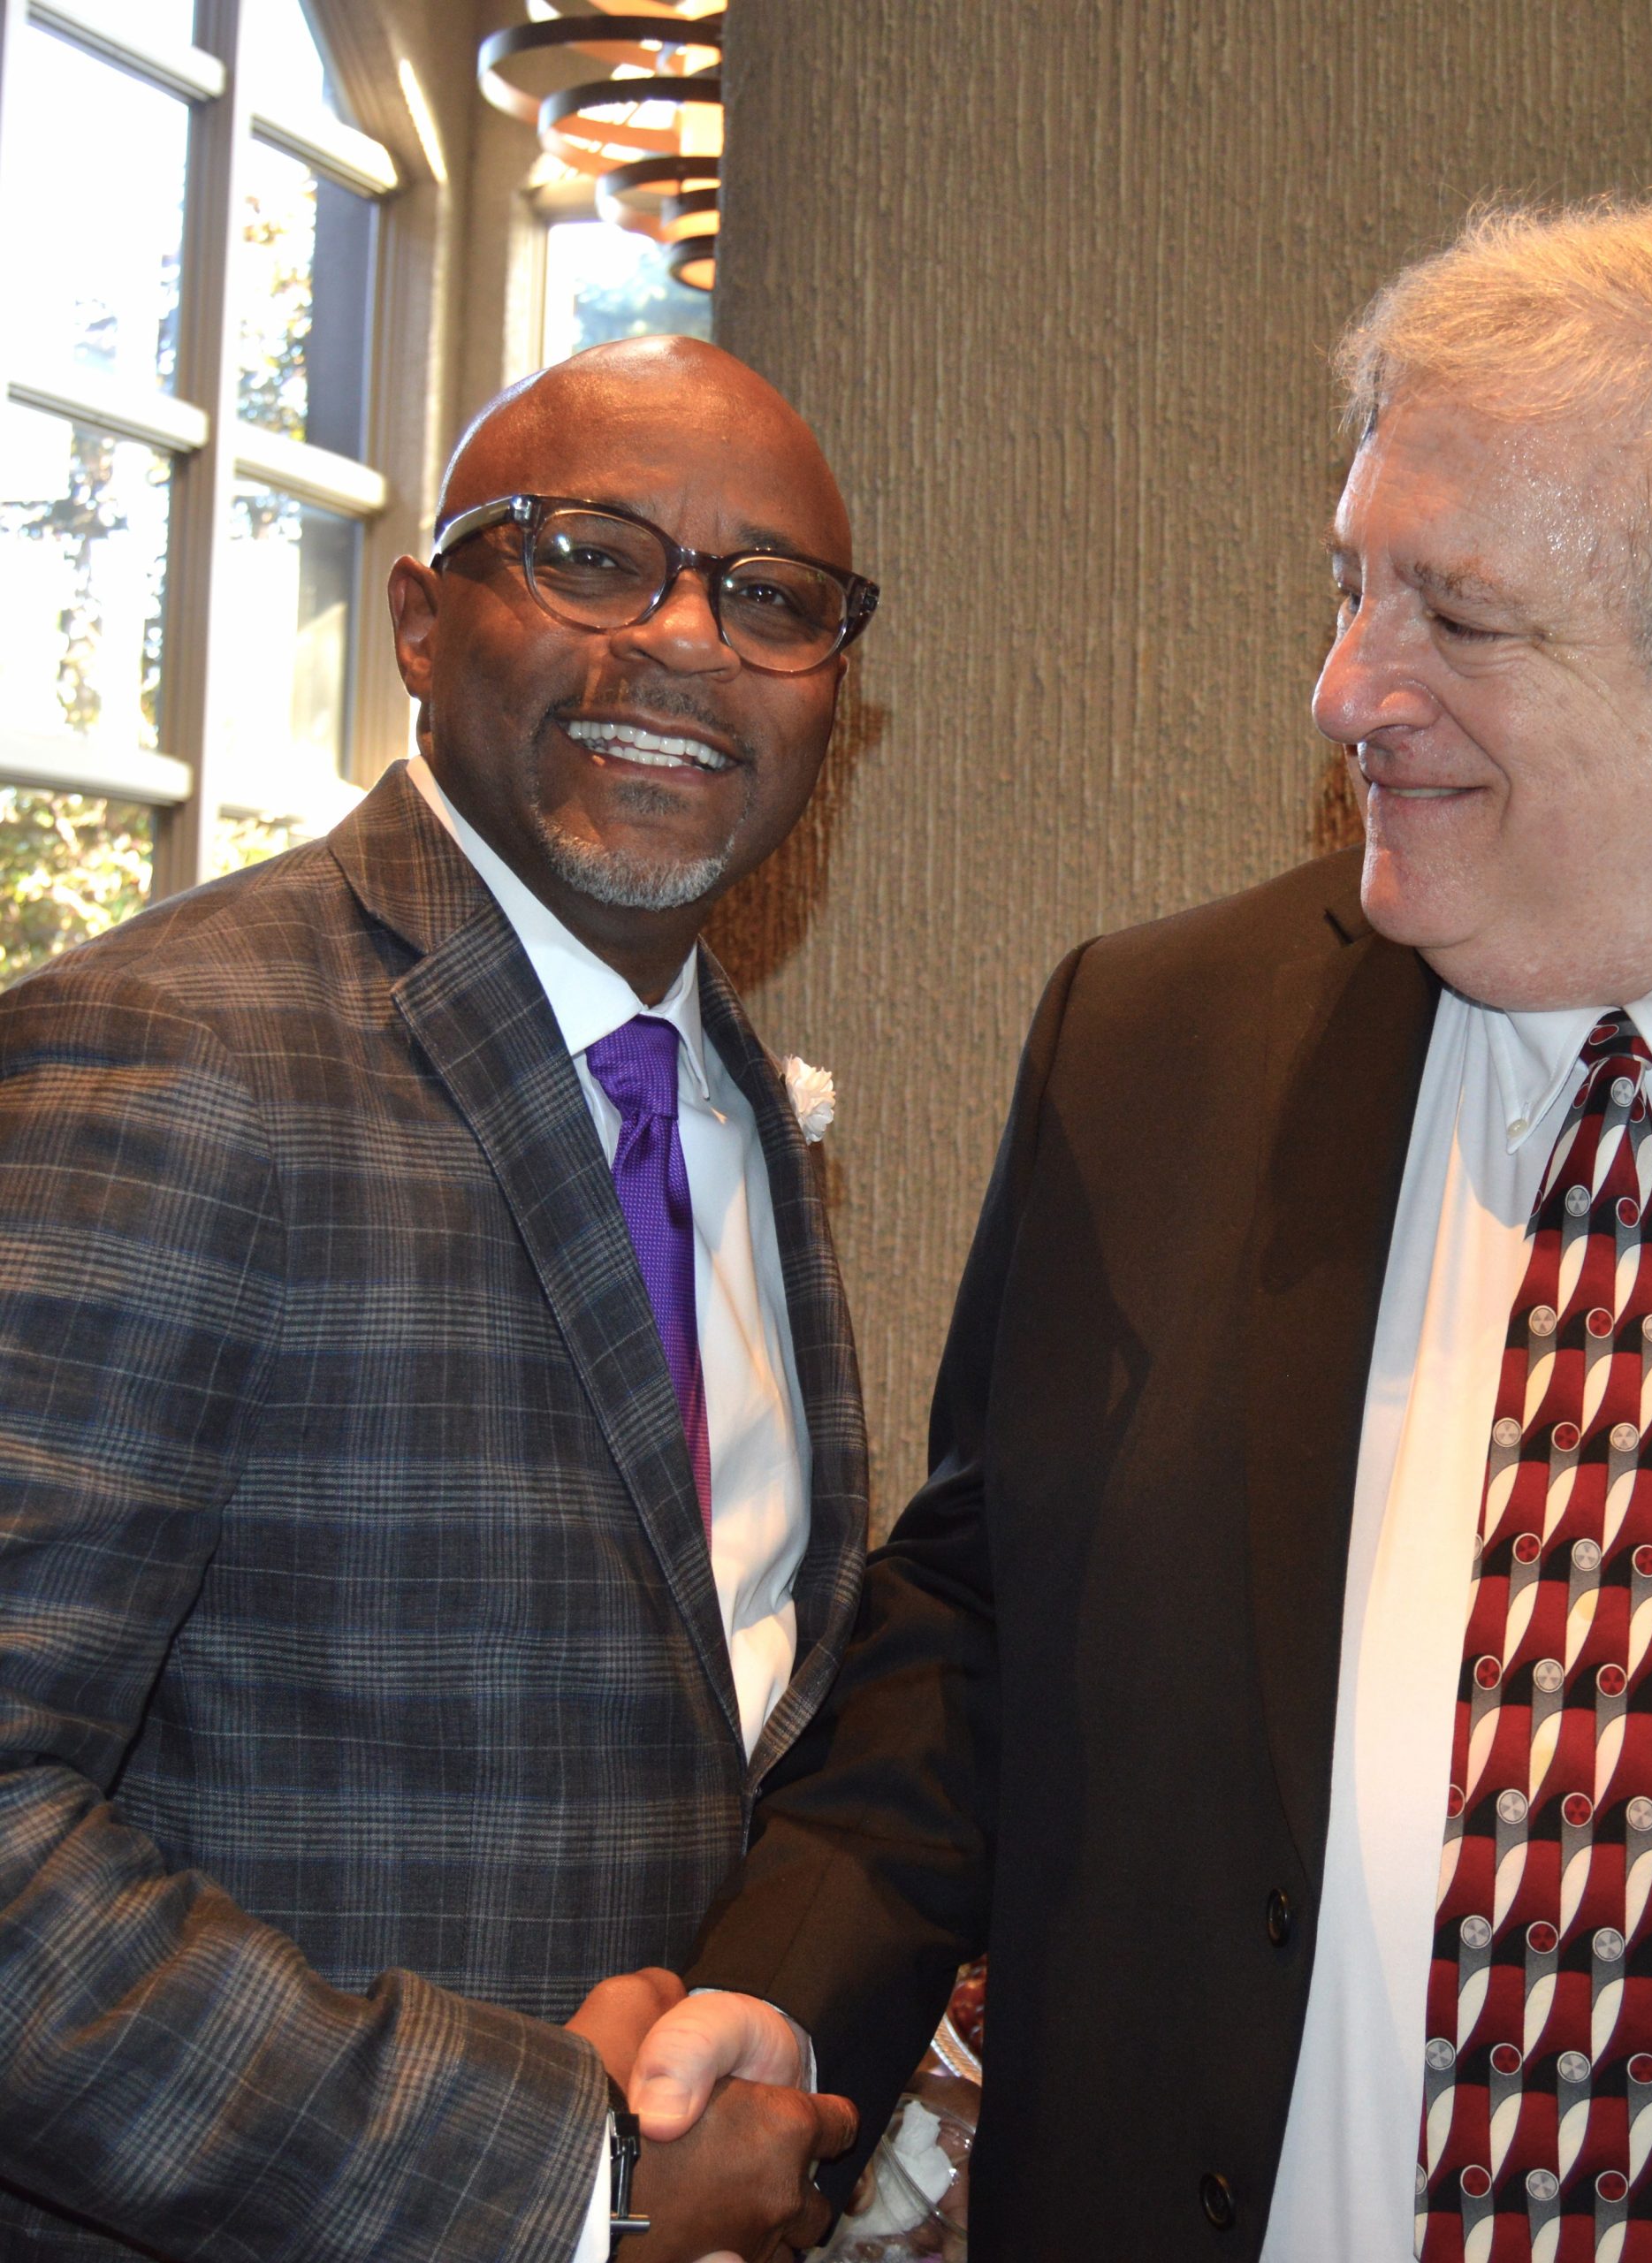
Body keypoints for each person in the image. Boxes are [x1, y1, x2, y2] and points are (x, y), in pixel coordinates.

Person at [627, 194, 1652, 2260]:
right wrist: (783, 1982)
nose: (1341, 692)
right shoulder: (1154, 1045)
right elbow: (975, 1617)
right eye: (1347, 587)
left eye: (1456, 619)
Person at [0, 337, 868, 2261]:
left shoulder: (733, 1106)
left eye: (771, 599)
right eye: (589, 556)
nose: (684, 641)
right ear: (418, 615)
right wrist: (557, 2168)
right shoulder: (169, 1058)